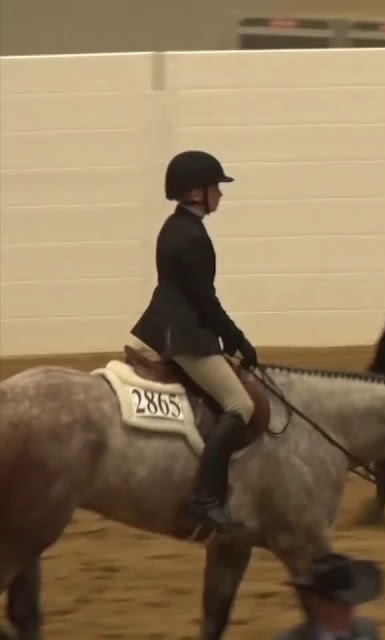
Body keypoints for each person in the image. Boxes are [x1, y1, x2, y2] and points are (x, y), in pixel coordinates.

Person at [129, 149, 259, 533]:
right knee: (241, 405)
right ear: (196, 192)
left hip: (172, 326)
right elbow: (205, 300)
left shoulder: (175, 227)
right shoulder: (192, 236)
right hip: (185, 334)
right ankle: (204, 499)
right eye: (215, 186)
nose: (220, 193)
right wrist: (238, 340)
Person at [276, 553, 385, 640]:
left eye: (351, 602)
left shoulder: (367, 631)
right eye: (339, 603)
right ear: (316, 601)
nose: (348, 611)